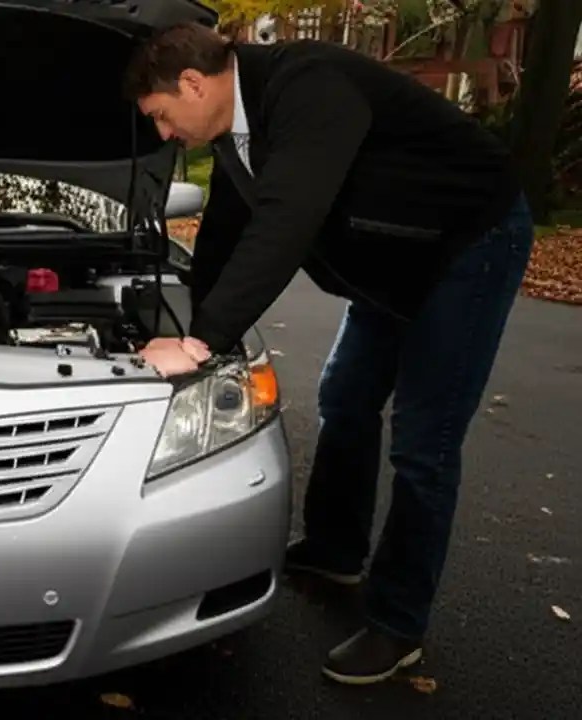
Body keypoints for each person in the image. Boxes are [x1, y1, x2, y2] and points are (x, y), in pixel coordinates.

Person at [124, 23, 533, 685]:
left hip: (467, 246)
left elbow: (287, 218)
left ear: (194, 83)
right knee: (345, 397)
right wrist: (186, 321)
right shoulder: (235, 125)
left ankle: (398, 624)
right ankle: (337, 548)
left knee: (424, 444)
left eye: (164, 117)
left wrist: (203, 342)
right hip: (390, 258)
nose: (166, 134)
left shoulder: (310, 86)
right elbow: (229, 228)